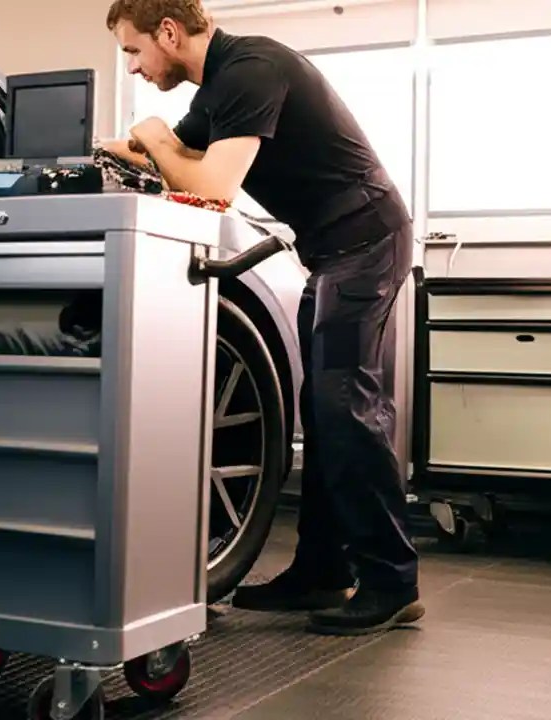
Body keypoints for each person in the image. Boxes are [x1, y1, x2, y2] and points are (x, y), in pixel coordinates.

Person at [104, 0, 423, 636]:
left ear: (168, 32)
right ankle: (321, 571)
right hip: (332, 248)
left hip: (367, 240)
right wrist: (120, 148)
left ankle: (392, 580)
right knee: (321, 405)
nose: (134, 68)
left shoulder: (252, 68)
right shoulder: (219, 89)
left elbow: (211, 188)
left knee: (343, 402)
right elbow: (179, 162)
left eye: (135, 51)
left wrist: (158, 138)